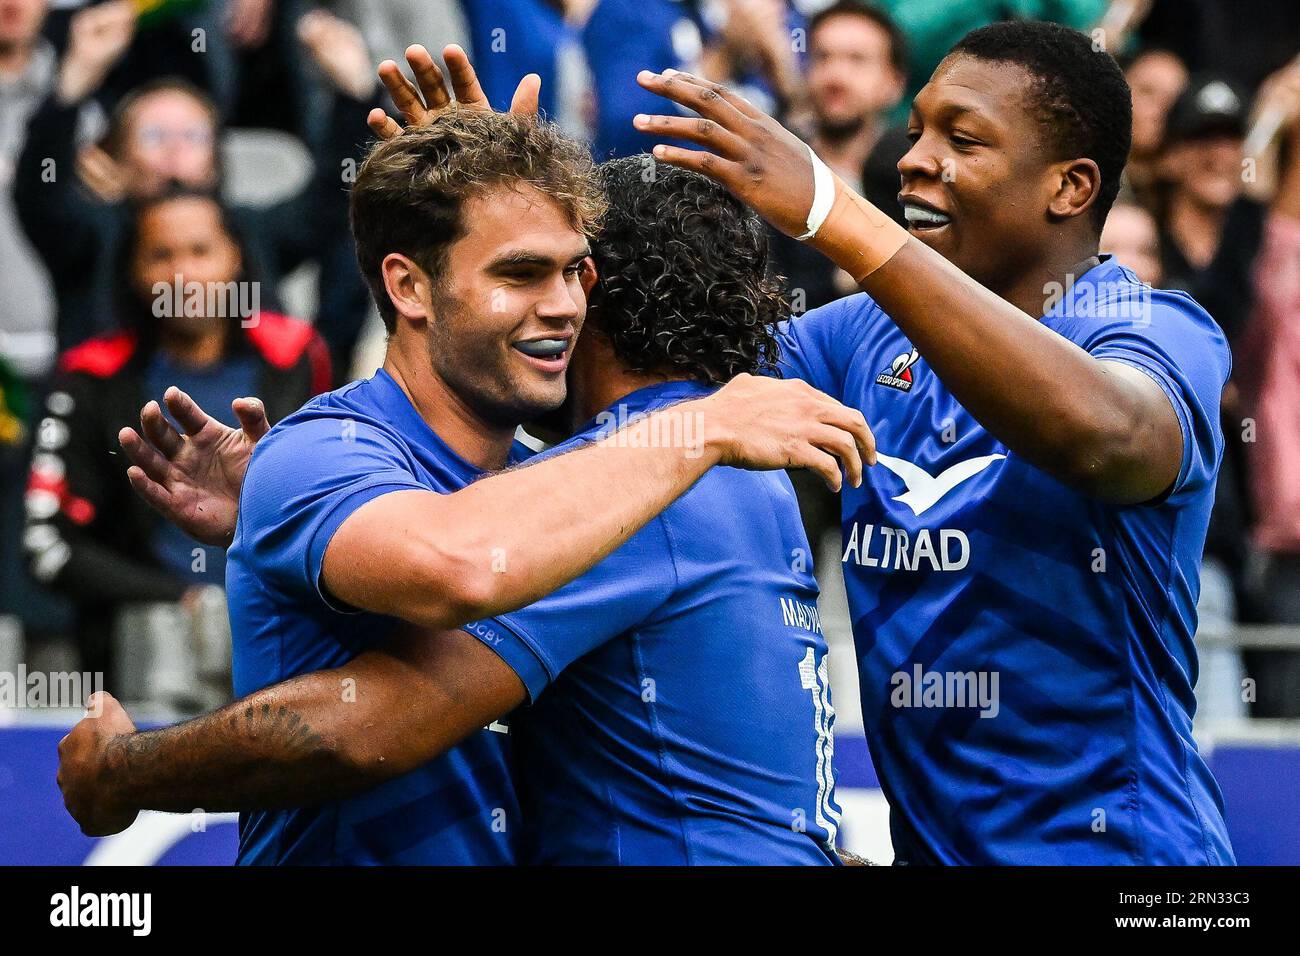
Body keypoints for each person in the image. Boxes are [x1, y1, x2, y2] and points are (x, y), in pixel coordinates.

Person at [55, 48, 873, 863]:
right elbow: (448, 583)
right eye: (519, 272)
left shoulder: (562, 485)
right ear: (409, 288)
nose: (560, 307)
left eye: (574, 272)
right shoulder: (327, 455)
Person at [630, 19, 1233, 863]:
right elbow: (637, 386)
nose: (914, 157)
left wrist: (835, 215)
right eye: (914, 131)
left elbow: (1107, 437)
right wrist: (492, 214)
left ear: (1069, 187)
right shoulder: (859, 341)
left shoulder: (1151, 328)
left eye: (963, 138)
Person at [23, 189, 328, 683]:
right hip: (143, 660)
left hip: (287, 641)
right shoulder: (90, 379)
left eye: (200, 251)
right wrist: (182, 598)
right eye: (160, 255)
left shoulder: (297, 358)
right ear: (132, 271)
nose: (183, 274)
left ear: (236, 256)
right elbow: (48, 547)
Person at [12, 2, 375, 361]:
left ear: (216, 161)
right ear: (118, 159)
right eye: (154, 136)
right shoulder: (89, 236)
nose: (174, 149)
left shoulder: (250, 232)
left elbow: (338, 197)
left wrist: (357, 96)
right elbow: (39, 191)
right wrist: (72, 84)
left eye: (193, 136)